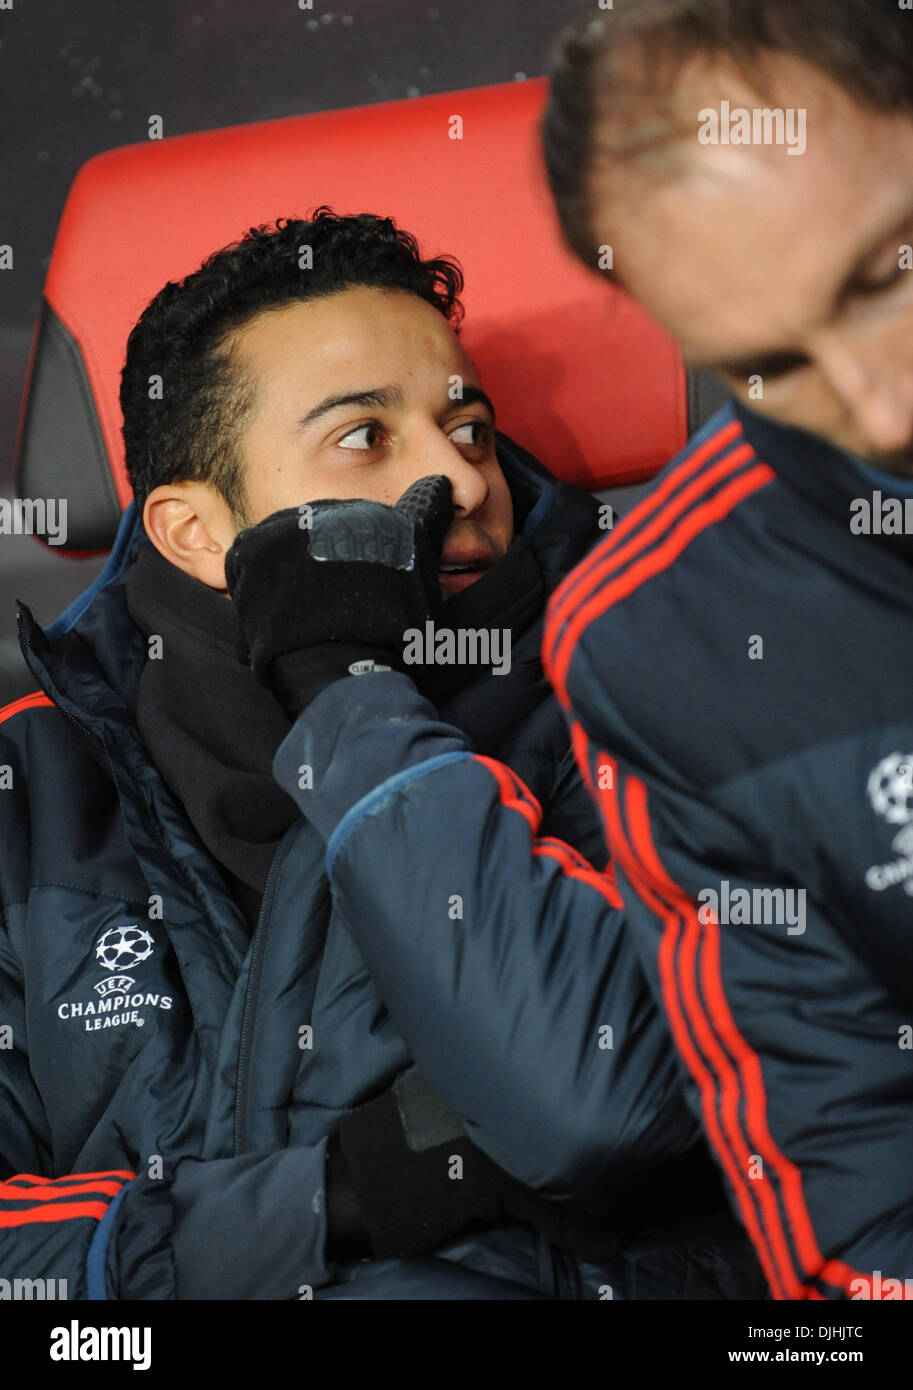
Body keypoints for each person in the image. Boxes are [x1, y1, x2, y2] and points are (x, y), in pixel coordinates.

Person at [0, 208, 763, 1300]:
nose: (455, 482)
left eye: (470, 430)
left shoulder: (656, 706)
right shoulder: (33, 788)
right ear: (194, 532)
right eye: (365, 436)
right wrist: (335, 1199)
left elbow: (594, 1104)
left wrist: (345, 691)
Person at [541, 0, 913, 1299]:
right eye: (768, 364)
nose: (878, 407)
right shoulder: (657, 647)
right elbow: (854, 1192)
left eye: (890, 271)